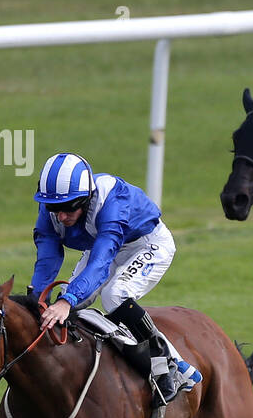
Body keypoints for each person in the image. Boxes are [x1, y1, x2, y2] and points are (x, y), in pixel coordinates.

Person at [30, 152, 193, 405]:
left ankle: (165, 361)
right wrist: (37, 298)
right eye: (54, 208)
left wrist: (68, 300)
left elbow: (101, 262)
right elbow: (48, 258)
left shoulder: (111, 201)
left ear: (86, 198)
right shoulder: (50, 208)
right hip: (102, 246)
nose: (61, 216)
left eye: (69, 207)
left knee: (113, 294)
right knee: (68, 304)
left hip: (146, 243)